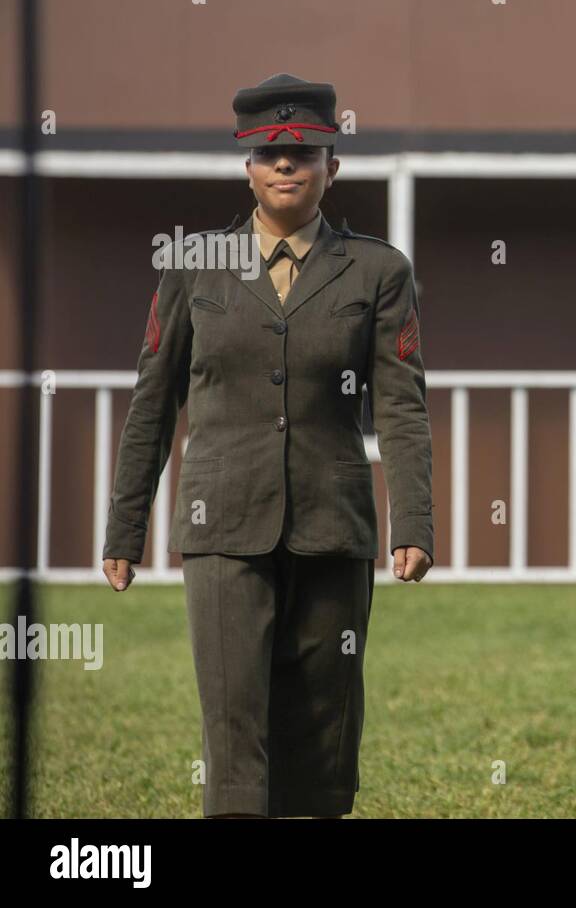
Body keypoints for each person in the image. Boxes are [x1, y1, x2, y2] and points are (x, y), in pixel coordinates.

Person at [101, 73, 435, 818]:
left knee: (322, 737)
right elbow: (153, 402)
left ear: (332, 166)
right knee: (233, 727)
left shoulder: (380, 271)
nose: (287, 166)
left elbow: (403, 406)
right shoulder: (193, 264)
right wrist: (125, 527)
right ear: (247, 167)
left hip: (333, 528)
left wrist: (413, 522)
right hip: (221, 525)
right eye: (270, 155)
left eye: (306, 152)